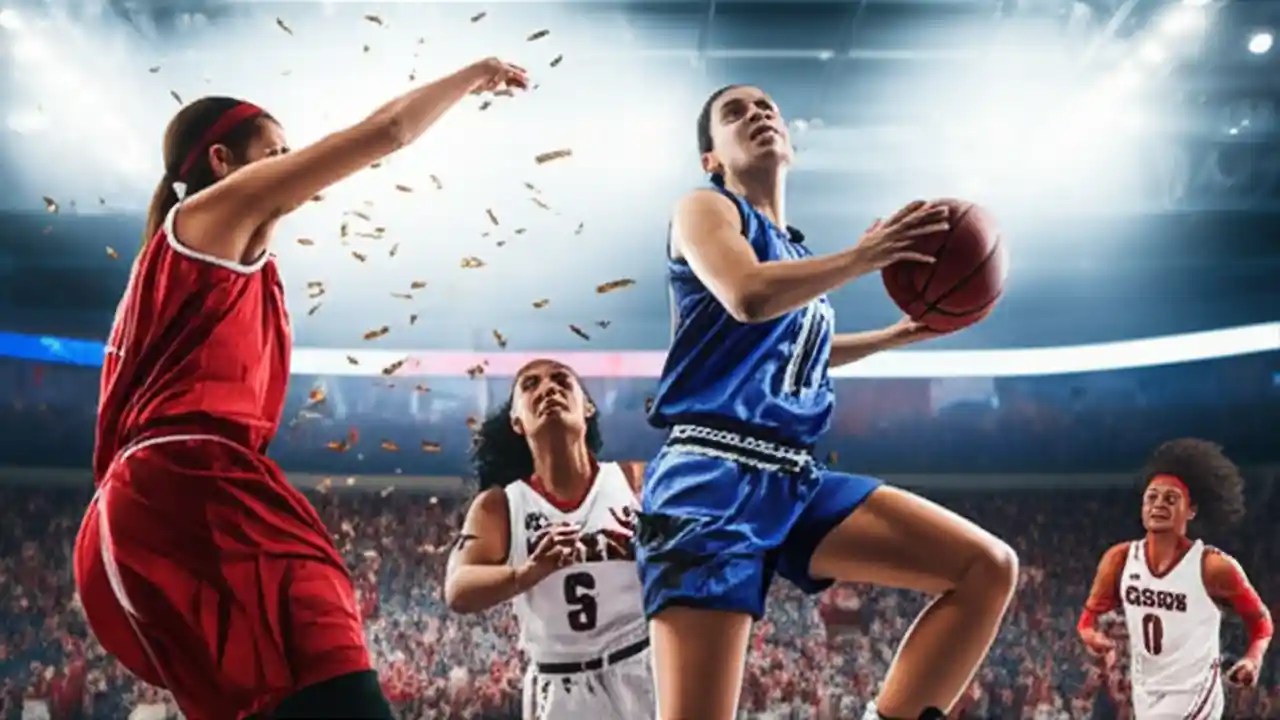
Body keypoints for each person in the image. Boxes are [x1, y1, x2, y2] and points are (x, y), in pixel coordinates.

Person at [73, 57, 529, 720]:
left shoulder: (216, 257)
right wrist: (473, 74)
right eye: (277, 152)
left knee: (278, 696)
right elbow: (387, 132)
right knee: (326, 652)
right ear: (224, 161)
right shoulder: (208, 219)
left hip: (161, 491)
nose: (293, 165)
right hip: (190, 479)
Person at [634, 84, 1020, 720]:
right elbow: (747, 295)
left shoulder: (798, 255)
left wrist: (894, 337)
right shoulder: (704, 209)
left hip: (791, 474)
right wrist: (867, 256)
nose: (758, 114)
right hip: (709, 477)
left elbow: (798, 342)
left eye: (768, 108)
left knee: (985, 568)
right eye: (736, 113)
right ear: (711, 157)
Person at [444, 358, 653, 720]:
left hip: (645, 663)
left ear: (587, 407)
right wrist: (525, 573)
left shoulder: (634, 478)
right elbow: (458, 589)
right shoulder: (501, 505)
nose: (548, 389)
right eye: (530, 386)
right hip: (563, 685)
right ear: (516, 421)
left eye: (561, 380)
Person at [1079, 438, 1272, 719]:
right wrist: (1091, 636)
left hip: (1195, 691)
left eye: (1171, 499)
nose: (1159, 504)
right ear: (1142, 506)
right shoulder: (1119, 560)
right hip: (1145, 691)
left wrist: (1253, 659)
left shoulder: (1213, 567)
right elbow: (1086, 621)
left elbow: (1261, 621)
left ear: (1191, 510)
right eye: (1152, 497)